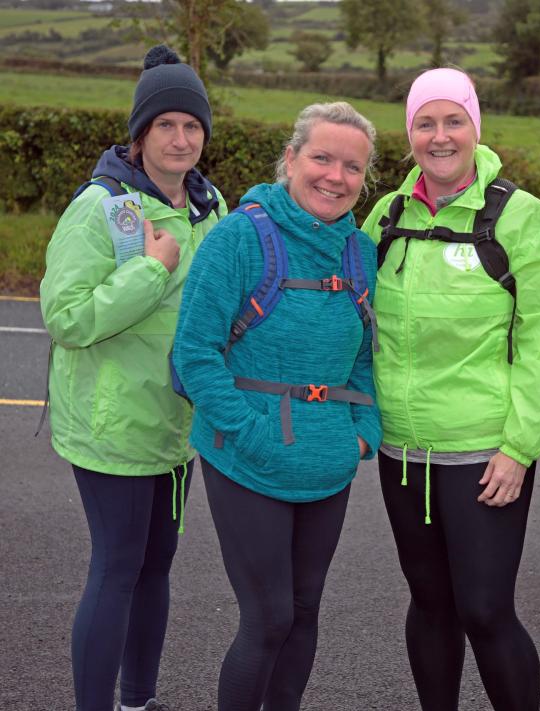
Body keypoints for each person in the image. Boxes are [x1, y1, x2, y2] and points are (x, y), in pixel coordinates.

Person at [360, 68, 540, 711]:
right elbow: (349, 311)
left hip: (485, 453)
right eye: (426, 122)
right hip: (402, 451)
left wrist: (520, 447)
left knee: (483, 609)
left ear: (477, 128)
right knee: (429, 604)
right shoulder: (386, 215)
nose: (440, 136)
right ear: (409, 133)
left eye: (454, 121)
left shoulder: (519, 216)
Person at [171, 101, 381, 711]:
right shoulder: (238, 238)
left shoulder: (359, 252)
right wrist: (250, 435)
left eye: (351, 167)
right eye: (321, 158)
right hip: (248, 459)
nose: (334, 177)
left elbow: (367, 355)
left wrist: (362, 432)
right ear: (290, 158)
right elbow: (196, 354)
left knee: (304, 612)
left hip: (328, 462)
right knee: (266, 619)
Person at [39, 45, 225, 711]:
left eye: (193, 126)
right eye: (166, 124)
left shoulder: (210, 205)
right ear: (139, 133)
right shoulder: (102, 207)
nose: (181, 139)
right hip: (113, 425)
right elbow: (65, 317)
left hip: (177, 426)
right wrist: (149, 270)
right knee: (118, 568)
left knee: (154, 569)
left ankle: (137, 702)